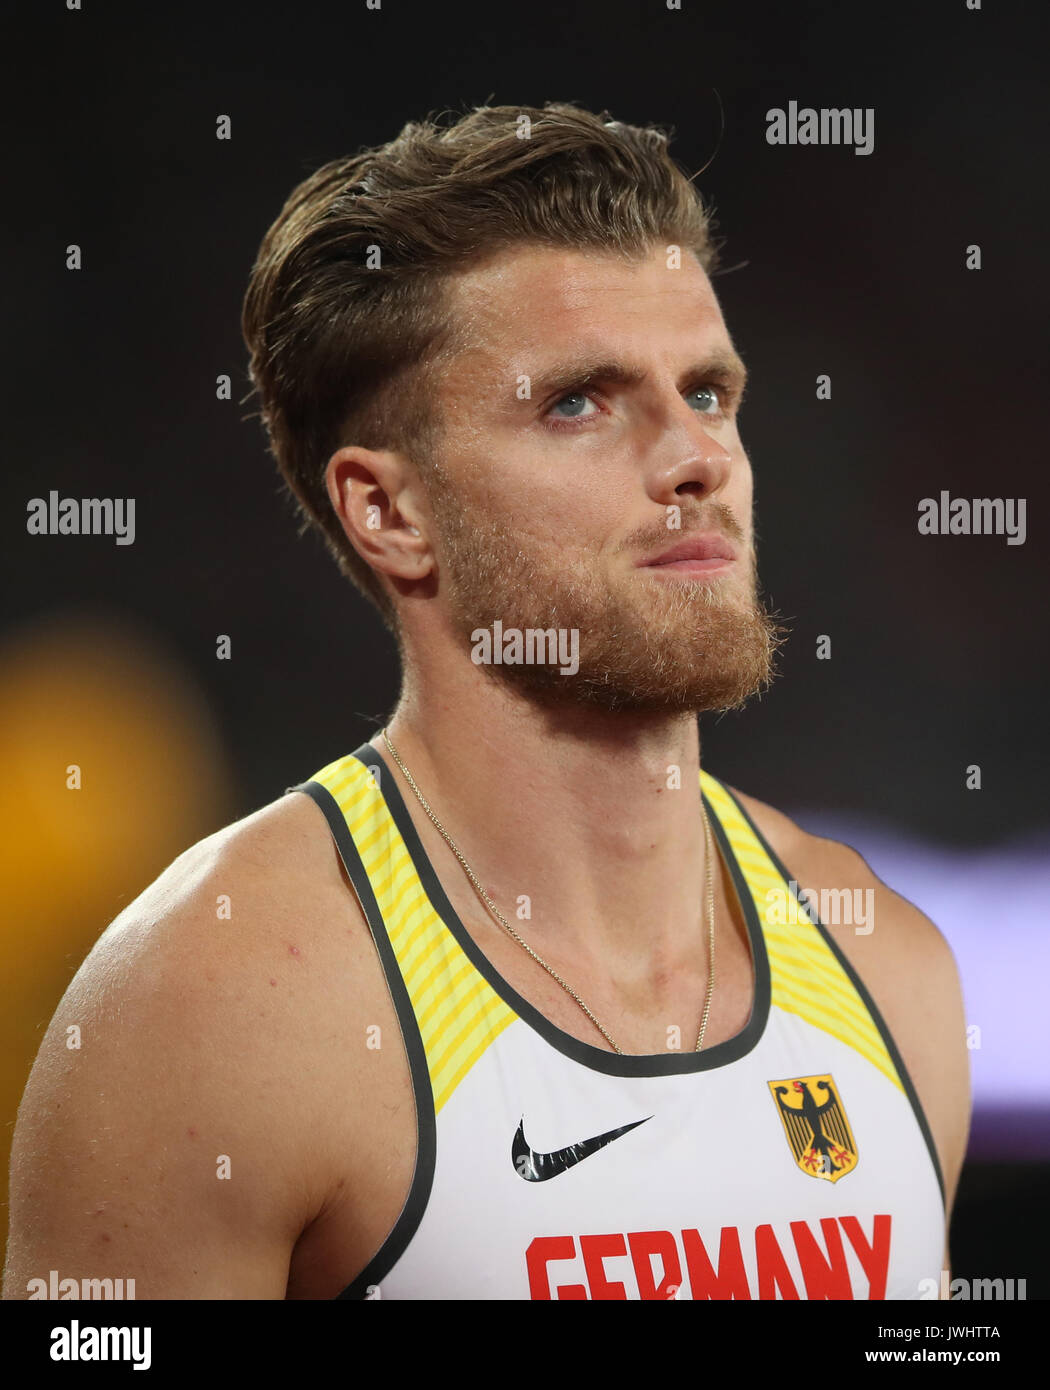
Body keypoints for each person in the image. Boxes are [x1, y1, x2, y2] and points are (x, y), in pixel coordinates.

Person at [3, 102, 969, 1300]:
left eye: (710, 393)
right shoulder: (215, 1006)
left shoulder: (885, 969)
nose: (697, 457)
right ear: (388, 513)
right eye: (579, 403)